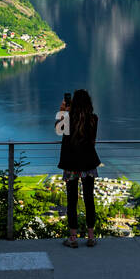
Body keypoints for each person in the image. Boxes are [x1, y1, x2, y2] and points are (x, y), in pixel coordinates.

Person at [57, 89, 100, 248]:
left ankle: (73, 238)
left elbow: (58, 130)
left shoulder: (68, 118)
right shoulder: (93, 119)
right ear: (89, 103)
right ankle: (91, 236)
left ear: (73, 102)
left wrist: (62, 111)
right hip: (88, 164)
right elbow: (93, 141)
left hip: (71, 164)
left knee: (72, 200)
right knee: (89, 200)